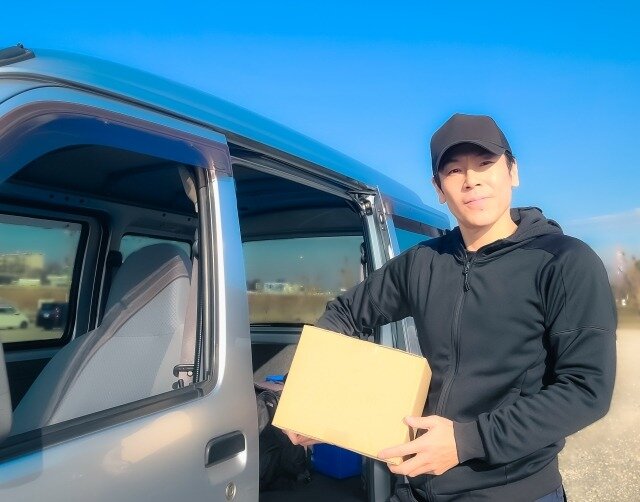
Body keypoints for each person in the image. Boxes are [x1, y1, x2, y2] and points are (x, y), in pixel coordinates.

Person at [285, 113, 617, 501]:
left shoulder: (563, 261)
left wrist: (465, 441)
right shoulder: (423, 261)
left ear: (513, 171)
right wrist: (314, 397)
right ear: (439, 188)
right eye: (454, 170)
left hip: (512, 490)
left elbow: (586, 389)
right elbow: (344, 313)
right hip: (417, 484)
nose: (471, 179)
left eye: (485, 163)